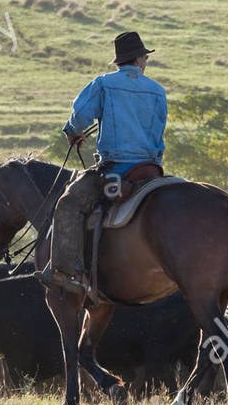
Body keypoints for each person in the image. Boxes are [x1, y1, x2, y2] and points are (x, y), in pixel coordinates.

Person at [44, 31, 167, 294]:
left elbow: (80, 116)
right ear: (137, 58)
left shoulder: (103, 84)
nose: (146, 62)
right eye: (145, 57)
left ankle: (68, 273)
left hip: (117, 167)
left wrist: (72, 132)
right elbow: (158, 131)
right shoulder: (157, 91)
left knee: (68, 204)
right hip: (151, 170)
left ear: (120, 60)